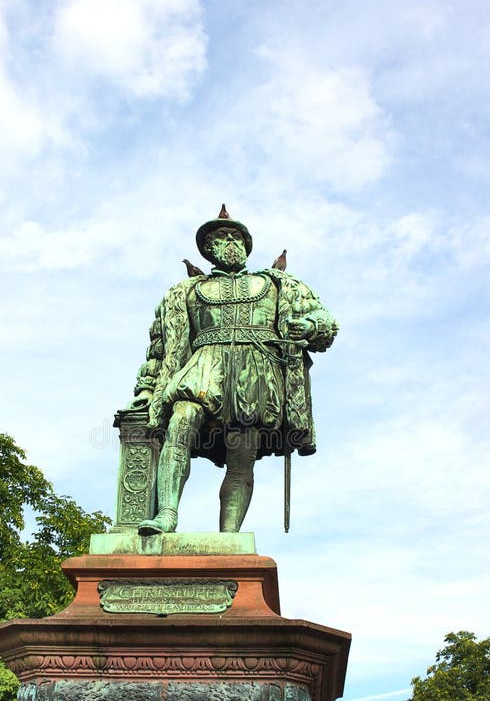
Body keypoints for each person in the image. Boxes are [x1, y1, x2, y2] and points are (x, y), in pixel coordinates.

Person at [129, 206, 338, 535]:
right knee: (181, 418)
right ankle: (167, 514)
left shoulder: (277, 285)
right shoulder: (183, 293)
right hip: (204, 365)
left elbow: (324, 321)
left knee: (242, 455)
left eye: (236, 237)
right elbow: (160, 347)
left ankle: (229, 537)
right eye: (221, 238)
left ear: (246, 246)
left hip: (255, 374)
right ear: (208, 250)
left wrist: (307, 325)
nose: (230, 243)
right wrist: (145, 390)